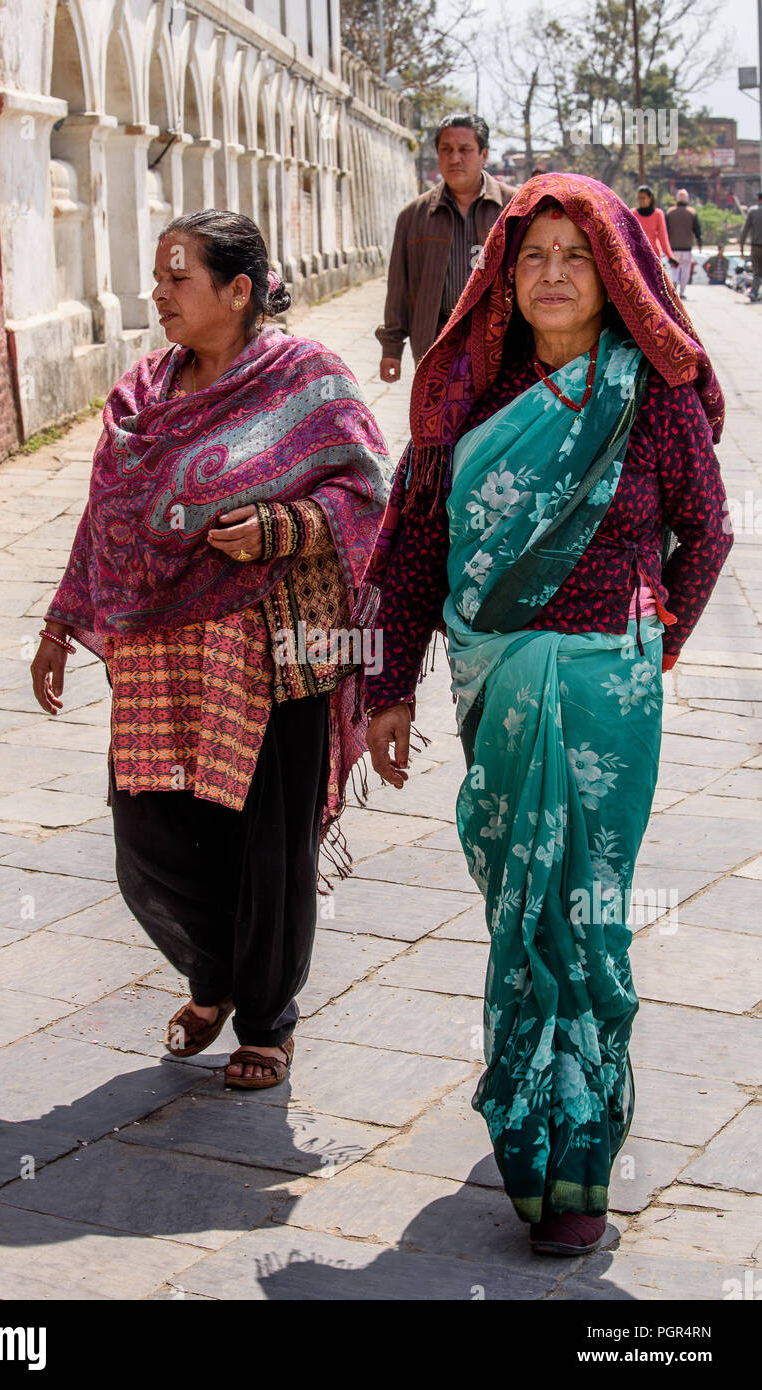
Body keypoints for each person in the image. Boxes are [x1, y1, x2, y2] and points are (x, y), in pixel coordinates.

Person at [360, 173, 731, 1255]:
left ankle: (579, 1162)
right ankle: (531, 1115)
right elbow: (412, 540)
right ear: (505, 279)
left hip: (611, 693)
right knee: (520, 903)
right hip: (499, 692)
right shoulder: (470, 397)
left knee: (585, 910)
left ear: (617, 275)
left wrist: (649, 643)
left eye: (578, 255)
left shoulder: (649, 393)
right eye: (534, 256)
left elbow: (706, 535)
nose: (556, 274)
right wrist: (385, 685)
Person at [31, 211, 390, 1091]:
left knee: (270, 847)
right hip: (161, 658)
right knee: (149, 839)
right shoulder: (142, 394)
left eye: (176, 278)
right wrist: (58, 624)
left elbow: (368, 494)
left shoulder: (307, 380)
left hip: (278, 651)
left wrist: (282, 524)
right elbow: (106, 517)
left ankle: (265, 1019)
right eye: (157, 277)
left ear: (239, 291)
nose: (158, 294)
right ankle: (214, 977)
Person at [376, 114, 516, 383]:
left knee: (497, 424)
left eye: (465, 150)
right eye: (446, 150)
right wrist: (391, 348)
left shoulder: (514, 209)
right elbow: (399, 289)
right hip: (436, 344)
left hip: (500, 345)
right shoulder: (413, 216)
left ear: (483, 154)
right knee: (436, 423)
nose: (454, 159)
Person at [665, 188, 703, 299]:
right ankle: (682, 292)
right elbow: (697, 230)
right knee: (685, 270)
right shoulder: (692, 212)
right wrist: (700, 242)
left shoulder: (670, 212)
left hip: (673, 247)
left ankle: (674, 286)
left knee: (674, 269)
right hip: (687, 247)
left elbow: (665, 230)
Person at [632, 185, 677, 270]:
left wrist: (670, 256)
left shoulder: (658, 214)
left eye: (643, 198)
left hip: (653, 255)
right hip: (637, 255)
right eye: (639, 198)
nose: (640, 200)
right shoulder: (633, 213)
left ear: (650, 198)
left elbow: (663, 237)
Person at [740, 191, 762, 302]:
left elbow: (744, 232)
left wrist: (742, 249)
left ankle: (753, 292)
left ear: (758, 199)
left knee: (757, 272)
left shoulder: (752, 211)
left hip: (755, 247)